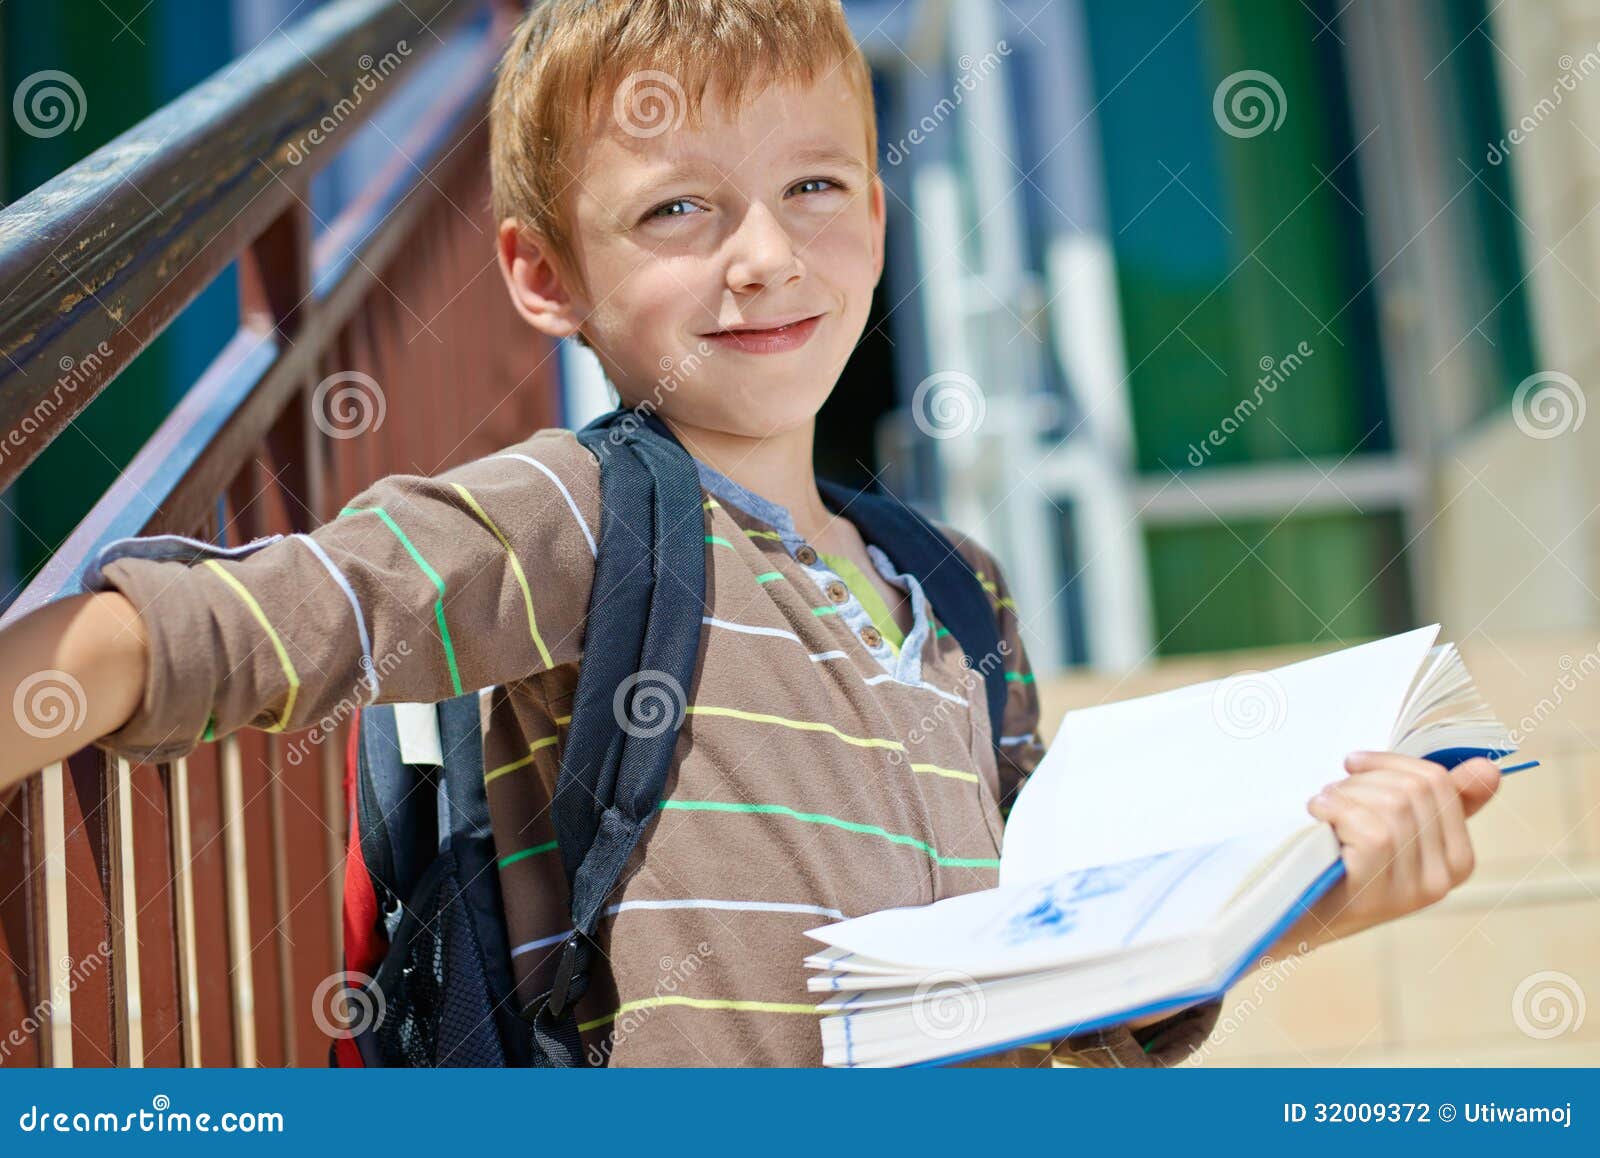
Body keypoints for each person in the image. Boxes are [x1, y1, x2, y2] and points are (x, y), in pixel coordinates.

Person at [0, 0, 1501, 1067]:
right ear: (541, 276)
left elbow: (1064, 983)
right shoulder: (581, 517)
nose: (768, 254)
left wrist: (1304, 903)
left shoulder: (957, 591)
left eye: (815, 188)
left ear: (881, 221)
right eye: (678, 213)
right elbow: (239, 623)